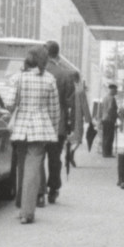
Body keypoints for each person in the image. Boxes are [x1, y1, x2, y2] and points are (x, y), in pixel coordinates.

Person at [8, 50, 60, 223]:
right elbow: (54, 110)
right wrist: (52, 128)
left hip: (21, 128)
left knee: (22, 168)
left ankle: (22, 207)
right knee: (33, 169)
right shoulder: (49, 79)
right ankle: (27, 212)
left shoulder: (18, 78)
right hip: (40, 127)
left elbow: (9, 103)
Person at [40, 39, 80, 204]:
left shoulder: (37, 71)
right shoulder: (65, 74)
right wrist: (71, 125)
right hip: (59, 124)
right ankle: (53, 189)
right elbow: (71, 104)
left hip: (39, 122)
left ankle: (38, 190)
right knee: (54, 158)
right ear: (58, 53)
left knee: (37, 157)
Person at [99, 83, 120, 157]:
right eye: (116, 90)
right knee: (109, 137)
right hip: (109, 119)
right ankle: (108, 153)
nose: (116, 91)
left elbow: (102, 109)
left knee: (105, 136)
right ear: (113, 90)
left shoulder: (105, 97)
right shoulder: (112, 98)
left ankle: (105, 152)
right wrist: (116, 116)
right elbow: (111, 109)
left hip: (104, 119)